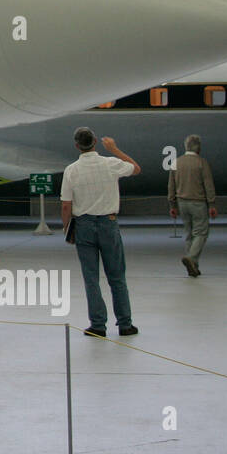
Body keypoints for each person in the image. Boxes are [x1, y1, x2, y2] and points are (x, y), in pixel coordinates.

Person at [61, 127, 140, 338]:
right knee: (117, 277)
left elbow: (66, 205)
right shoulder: (110, 164)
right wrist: (114, 149)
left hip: (83, 225)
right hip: (109, 223)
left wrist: (67, 229)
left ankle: (98, 325)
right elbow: (135, 168)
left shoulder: (71, 170)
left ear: (77, 145)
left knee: (91, 278)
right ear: (95, 141)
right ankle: (125, 324)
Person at [168, 134, 216, 277]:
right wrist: (212, 204)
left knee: (188, 233)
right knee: (201, 233)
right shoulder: (201, 163)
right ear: (198, 148)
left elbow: (171, 185)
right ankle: (191, 258)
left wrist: (172, 205)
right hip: (198, 203)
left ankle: (193, 266)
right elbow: (208, 185)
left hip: (182, 204)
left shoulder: (176, 162)